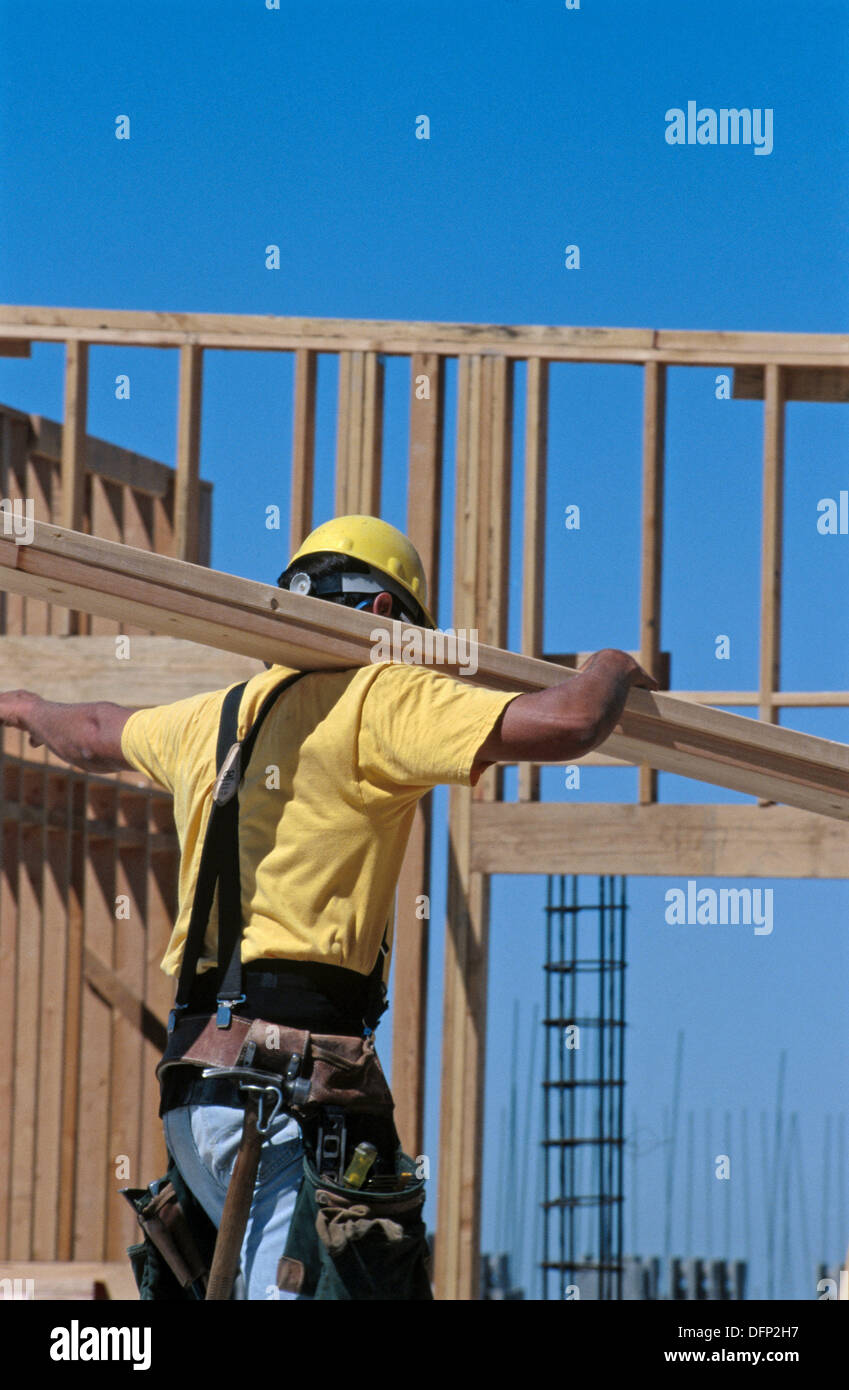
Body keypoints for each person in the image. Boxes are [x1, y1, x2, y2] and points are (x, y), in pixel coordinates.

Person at [0, 513, 658, 1299]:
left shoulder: (215, 718)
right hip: (286, 1094)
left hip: (196, 1093)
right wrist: (612, 664)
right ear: (385, 617)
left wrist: (24, 705)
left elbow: (92, 730)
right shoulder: (380, 696)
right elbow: (570, 721)